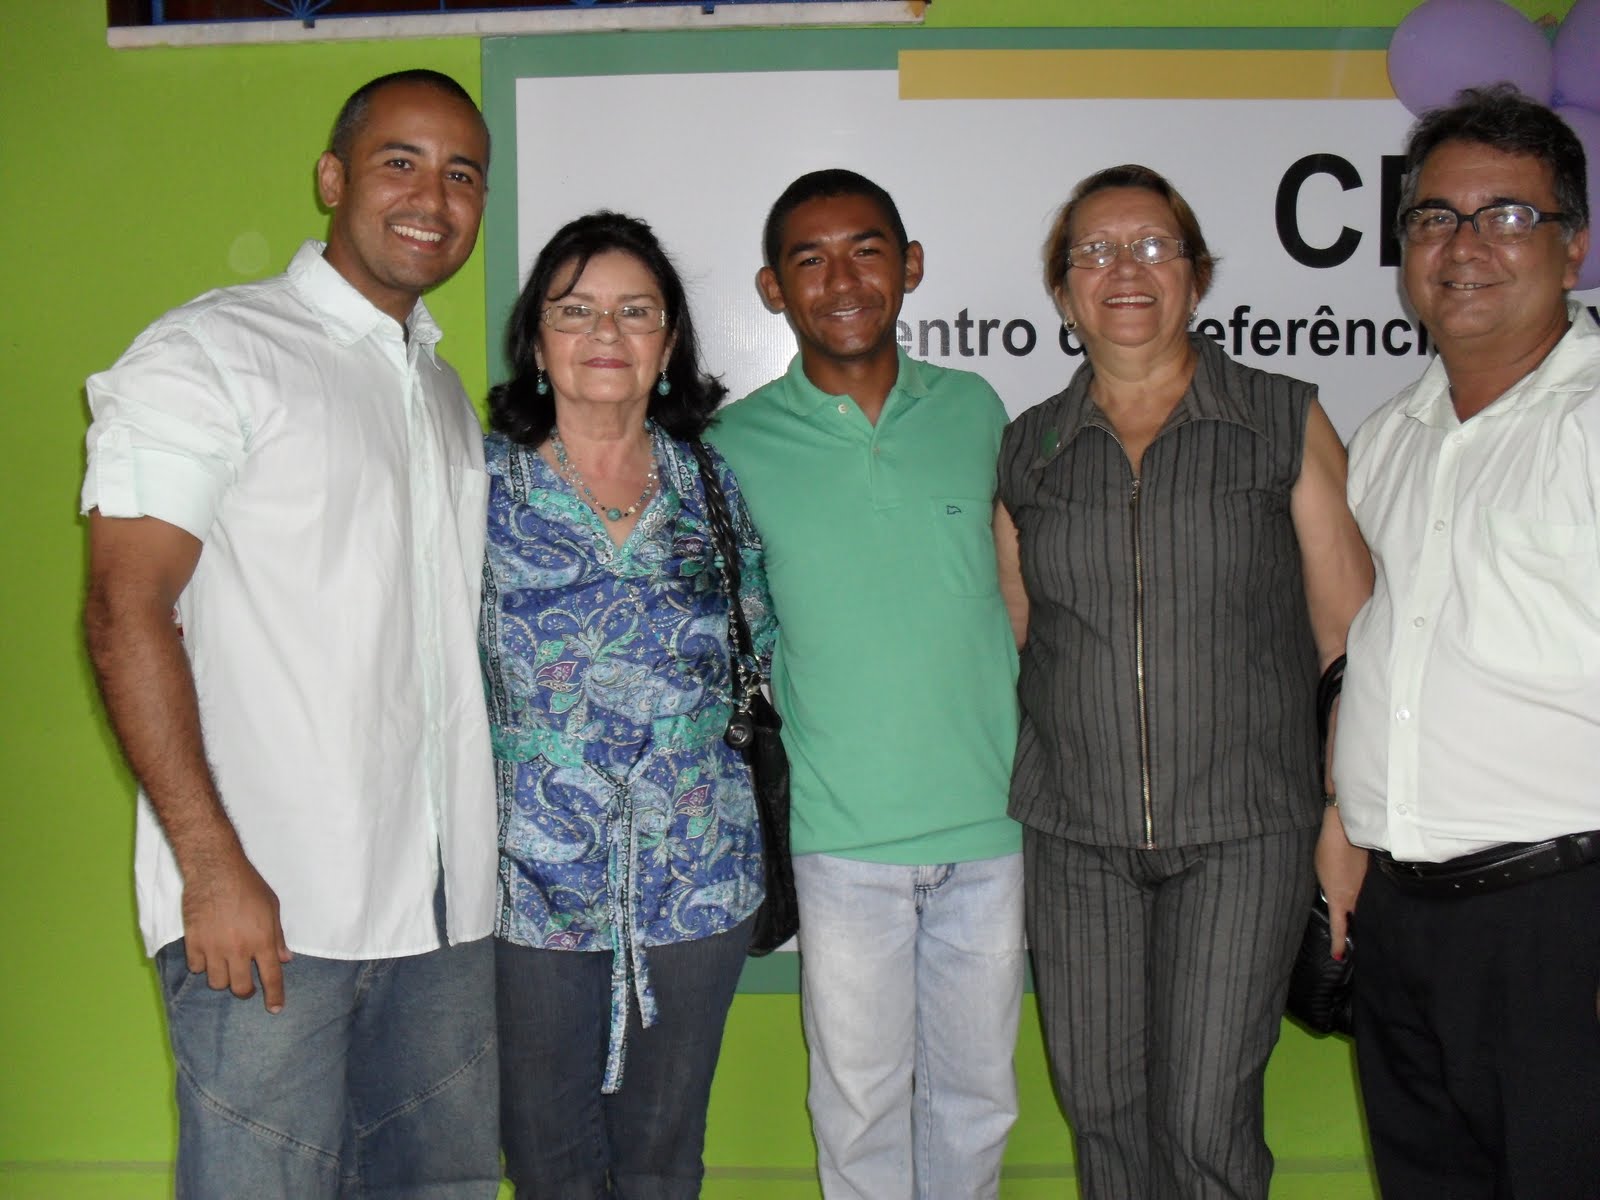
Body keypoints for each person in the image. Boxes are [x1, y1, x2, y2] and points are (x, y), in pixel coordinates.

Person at [80, 70, 499, 1197]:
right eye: (399, 162)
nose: (432, 196)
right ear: (332, 178)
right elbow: (125, 612)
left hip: (445, 919)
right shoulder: (211, 353)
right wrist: (209, 869)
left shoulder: (446, 393)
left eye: (462, 174)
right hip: (265, 913)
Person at [996, 164, 1372, 1200]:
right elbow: (1015, 640)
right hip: (1075, 838)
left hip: (1244, 834)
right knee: (1104, 1116)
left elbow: (1349, 632)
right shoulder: (1030, 450)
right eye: (1095, 251)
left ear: (1197, 276)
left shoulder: (1278, 419)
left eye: (1153, 246)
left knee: (1206, 1118)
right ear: (1063, 286)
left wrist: (1344, 819)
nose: (1125, 269)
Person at [709, 169, 1025, 1200]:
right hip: (839, 845)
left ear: (911, 266)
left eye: (866, 248)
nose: (841, 278)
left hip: (990, 831)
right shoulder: (732, 450)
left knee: (978, 1106)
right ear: (772, 287)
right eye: (809, 257)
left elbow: (1013, 593)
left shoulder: (977, 410)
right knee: (856, 1110)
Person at [1328, 85, 1600, 1198]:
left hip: (1561, 922)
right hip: (1402, 925)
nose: (1465, 245)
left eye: (1506, 216)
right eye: (1435, 217)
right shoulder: (1390, 436)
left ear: (1573, 246)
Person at [482, 210, 776, 1200]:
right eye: (575, 311)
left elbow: (760, 644)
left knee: (661, 1155)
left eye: (634, 311)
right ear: (535, 341)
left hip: (695, 869)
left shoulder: (710, 483)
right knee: (548, 1155)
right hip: (527, 877)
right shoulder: (478, 485)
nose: (605, 334)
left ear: (669, 342)